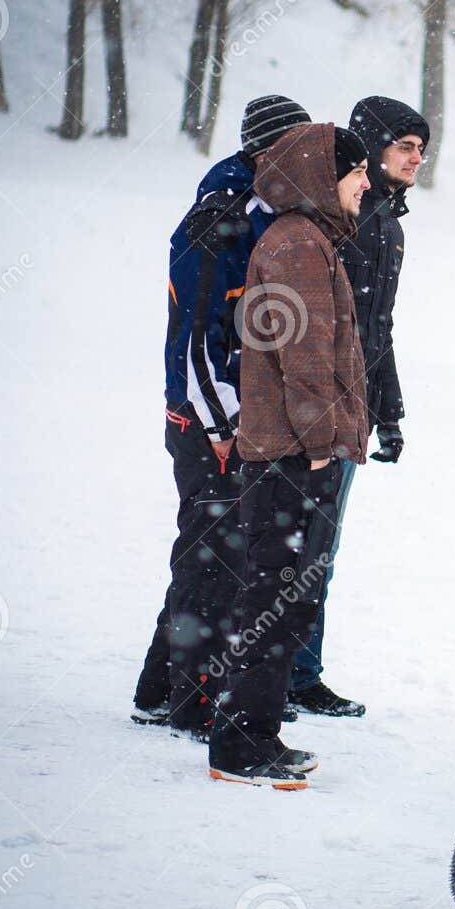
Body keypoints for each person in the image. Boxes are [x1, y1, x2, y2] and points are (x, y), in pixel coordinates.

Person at [132, 95, 311, 739]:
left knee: (206, 556)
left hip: (237, 419)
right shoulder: (222, 219)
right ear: (266, 151)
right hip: (207, 423)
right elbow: (197, 340)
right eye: (297, 149)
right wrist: (220, 427)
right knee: (215, 563)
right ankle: (195, 702)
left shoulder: (271, 213)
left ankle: (158, 690)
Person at [208, 122, 372, 788]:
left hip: (286, 454)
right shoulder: (301, 246)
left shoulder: (303, 239)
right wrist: (320, 447)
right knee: (277, 603)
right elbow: (304, 361)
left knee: (277, 601)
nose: (365, 182)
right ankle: (244, 747)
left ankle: (247, 736)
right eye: (355, 171)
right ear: (317, 177)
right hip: (291, 460)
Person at [283, 96, 429, 717]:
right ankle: (281, 675)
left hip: (349, 410)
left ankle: (297, 672)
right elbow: (324, 327)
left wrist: (387, 412)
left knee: (315, 548)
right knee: (297, 549)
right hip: (317, 412)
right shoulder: (347, 218)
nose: (417, 158)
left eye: (423, 148)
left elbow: (378, 329)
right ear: (371, 146)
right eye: (405, 145)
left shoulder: (386, 225)